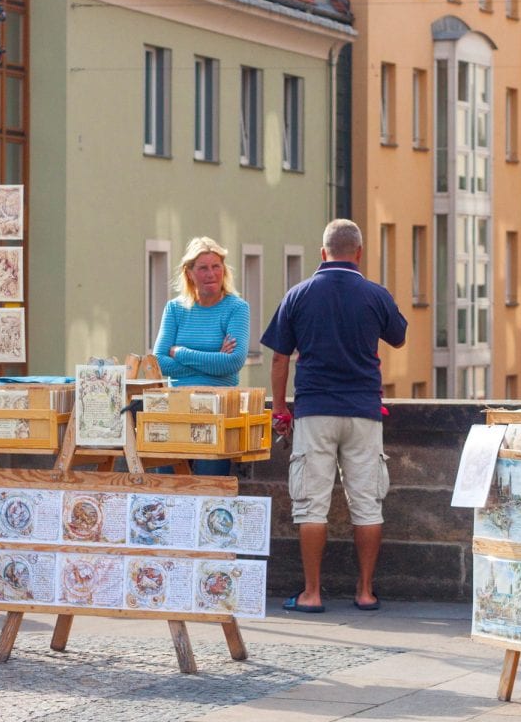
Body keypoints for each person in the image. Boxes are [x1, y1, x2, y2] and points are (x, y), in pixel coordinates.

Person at [261, 219, 406, 613]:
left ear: (322, 252)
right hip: (363, 411)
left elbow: (279, 357)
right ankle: (364, 591)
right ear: (359, 252)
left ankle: (312, 593)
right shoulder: (375, 294)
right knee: (367, 504)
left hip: (314, 410)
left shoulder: (298, 295)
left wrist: (279, 406)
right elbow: (398, 336)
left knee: (311, 505)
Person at [152, 236, 250, 475]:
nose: (211, 274)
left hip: (217, 409)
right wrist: (214, 359)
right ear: (190, 273)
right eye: (203, 268)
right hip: (176, 408)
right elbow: (158, 363)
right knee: (166, 485)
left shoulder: (236, 308)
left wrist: (181, 353)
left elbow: (234, 361)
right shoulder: (175, 309)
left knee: (210, 484)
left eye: (216, 266)